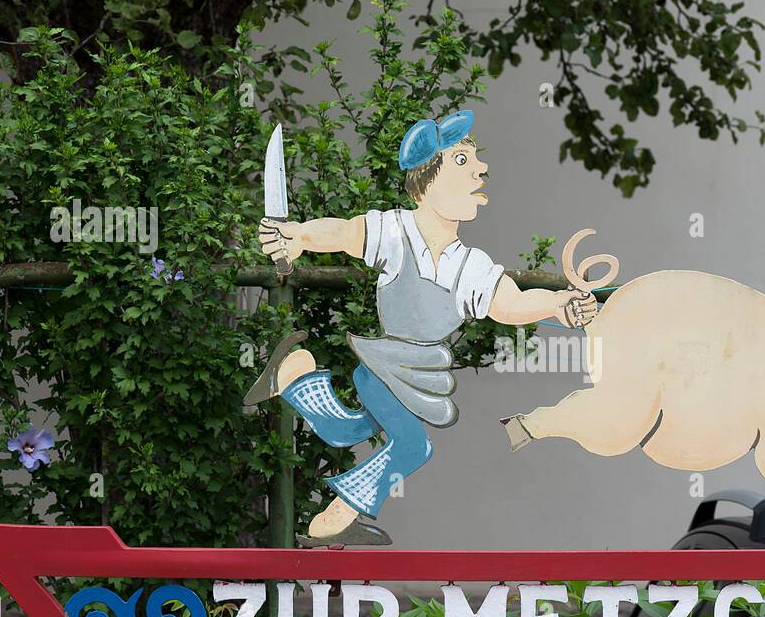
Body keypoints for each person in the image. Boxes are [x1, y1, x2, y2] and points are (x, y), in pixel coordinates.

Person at [244, 110, 598, 545]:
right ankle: (334, 519)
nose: (481, 170)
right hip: (385, 366)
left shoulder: (471, 266)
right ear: (427, 180)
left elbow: (514, 303)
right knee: (413, 447)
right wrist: (298, 235)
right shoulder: (396, 231)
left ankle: (294, 376)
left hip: (419, 373)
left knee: (350, 428)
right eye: (464, 162)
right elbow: (346, 232)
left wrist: (562, 306)